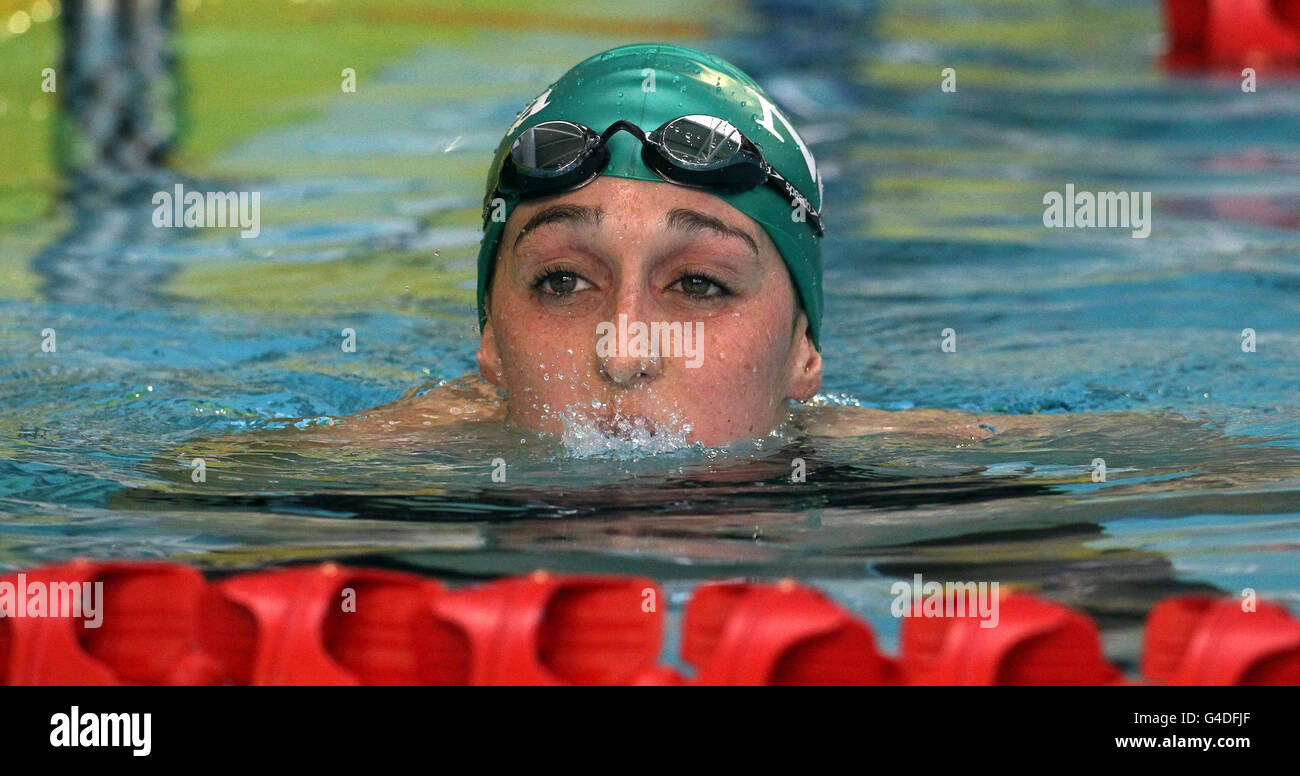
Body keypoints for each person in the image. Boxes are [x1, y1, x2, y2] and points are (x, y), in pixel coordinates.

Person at [323, 43, 1082, 449]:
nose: (624, 353)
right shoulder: (342, 489)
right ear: (489, 340)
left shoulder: (945, 482)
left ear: (802, 351)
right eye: (561, 282)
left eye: (699, 285)